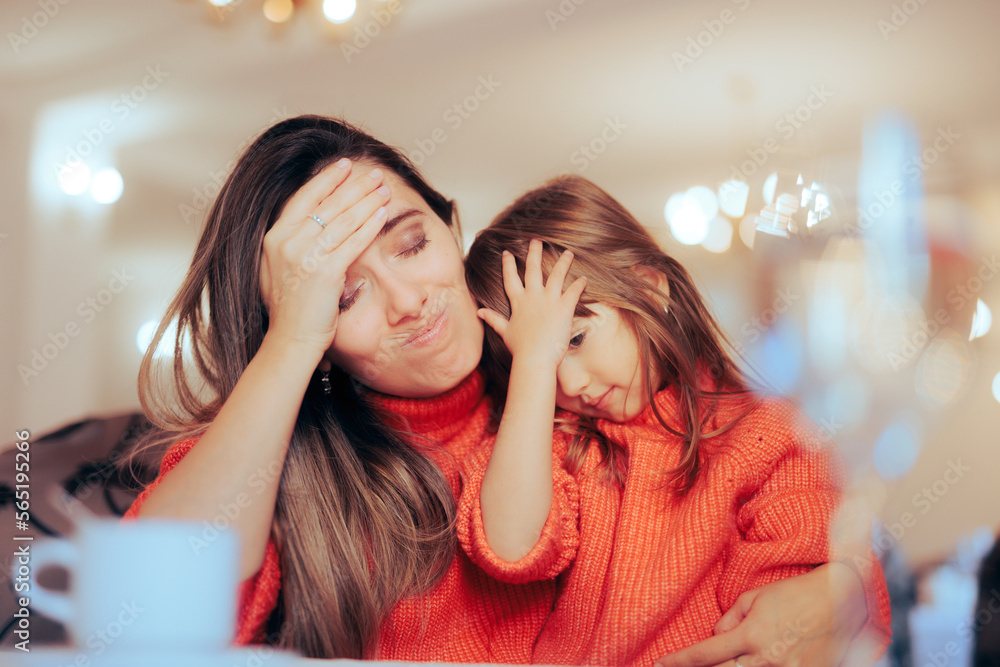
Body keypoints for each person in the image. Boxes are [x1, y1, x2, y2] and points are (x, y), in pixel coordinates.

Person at [123, 114, 885, 664]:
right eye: (344, 295)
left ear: (454, 230)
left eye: (412, 244)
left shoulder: (582, 406)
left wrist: (843, 592)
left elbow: (780, 496)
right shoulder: (282, 469)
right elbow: (136, 624)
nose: (409, 300)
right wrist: (290, 340)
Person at [461, 174, 892, 666]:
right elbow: (512, 546)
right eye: (529, 363)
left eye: (573, 339)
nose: (571, 384)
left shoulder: (765, 433)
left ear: (650, 287)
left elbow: (788, 613)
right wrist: (534, 366)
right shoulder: (557, 444)